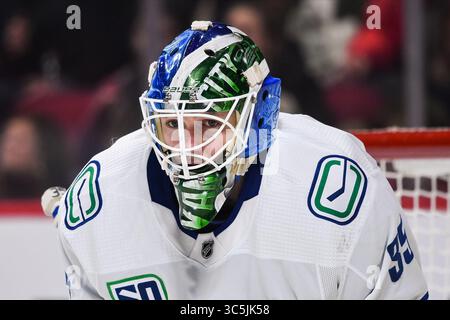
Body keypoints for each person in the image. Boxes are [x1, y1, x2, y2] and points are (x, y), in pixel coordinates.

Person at [44, 21, 428, 300]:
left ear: (259, 117)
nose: (186, 147)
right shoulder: (100, 203)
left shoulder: (336, 189)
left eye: (210, 123)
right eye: (171, 125)